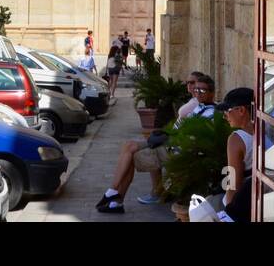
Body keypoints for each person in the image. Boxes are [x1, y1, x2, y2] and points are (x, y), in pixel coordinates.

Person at [96, 73, 216, 214]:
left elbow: (193, 138)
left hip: (178, 149)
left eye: (202, 90)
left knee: (131, 154)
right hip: (171, 141)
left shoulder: (210, 112)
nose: (197, 92)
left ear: (212, 93)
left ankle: (115, 196)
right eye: (196, 89)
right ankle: (115, 197)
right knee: (129, 149)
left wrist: (170, 137)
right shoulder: (198, 106)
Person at [218, 87, 255, 223]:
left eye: (227, 111)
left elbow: (232, 181)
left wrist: (229, 212)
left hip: (244, 203)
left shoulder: (237, 139)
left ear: (241, 110)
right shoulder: (269, 129)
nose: (224, 116)